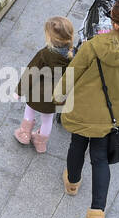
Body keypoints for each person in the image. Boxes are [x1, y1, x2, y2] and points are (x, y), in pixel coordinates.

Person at [53, 0, 119, 218]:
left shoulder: (94, 46)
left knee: (77, 143)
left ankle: (73, 182)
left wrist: (58, 97)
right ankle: (96, 213)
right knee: (99, 157)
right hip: (114, 112)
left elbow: (72, 74)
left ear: (115, 25)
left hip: (85, 107)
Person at [13, 16, 75, 153]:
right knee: (47, 120)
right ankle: (40, 143)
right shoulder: (74, 56)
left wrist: (19, 91)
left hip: (37, 93)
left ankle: (24, 134)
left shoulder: (44, 54)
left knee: (29, 111)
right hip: (56, 98)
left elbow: (31, 73)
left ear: (49, 37)